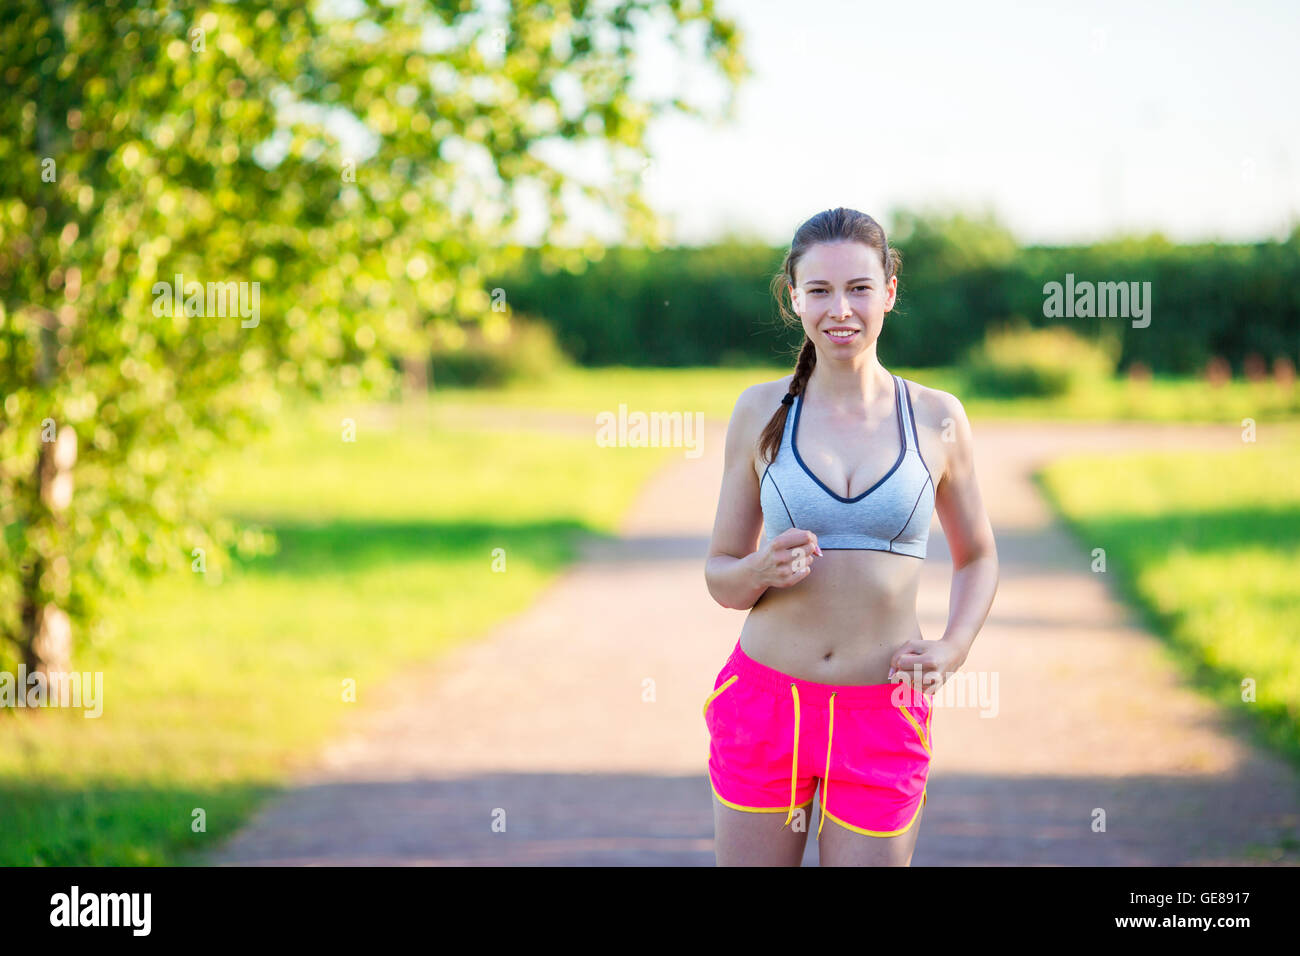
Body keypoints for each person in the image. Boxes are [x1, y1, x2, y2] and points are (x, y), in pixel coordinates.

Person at [702, 207, 999, 866]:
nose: (841, 309)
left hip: (882, 714)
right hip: (765, 705)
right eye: (820, 290)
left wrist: (954, 645)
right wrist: (759, 569)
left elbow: (977, 556)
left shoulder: (937, 417)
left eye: (859, 287)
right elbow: (719, 574)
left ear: (889, 290)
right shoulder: (758, 410)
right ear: (795, 298)